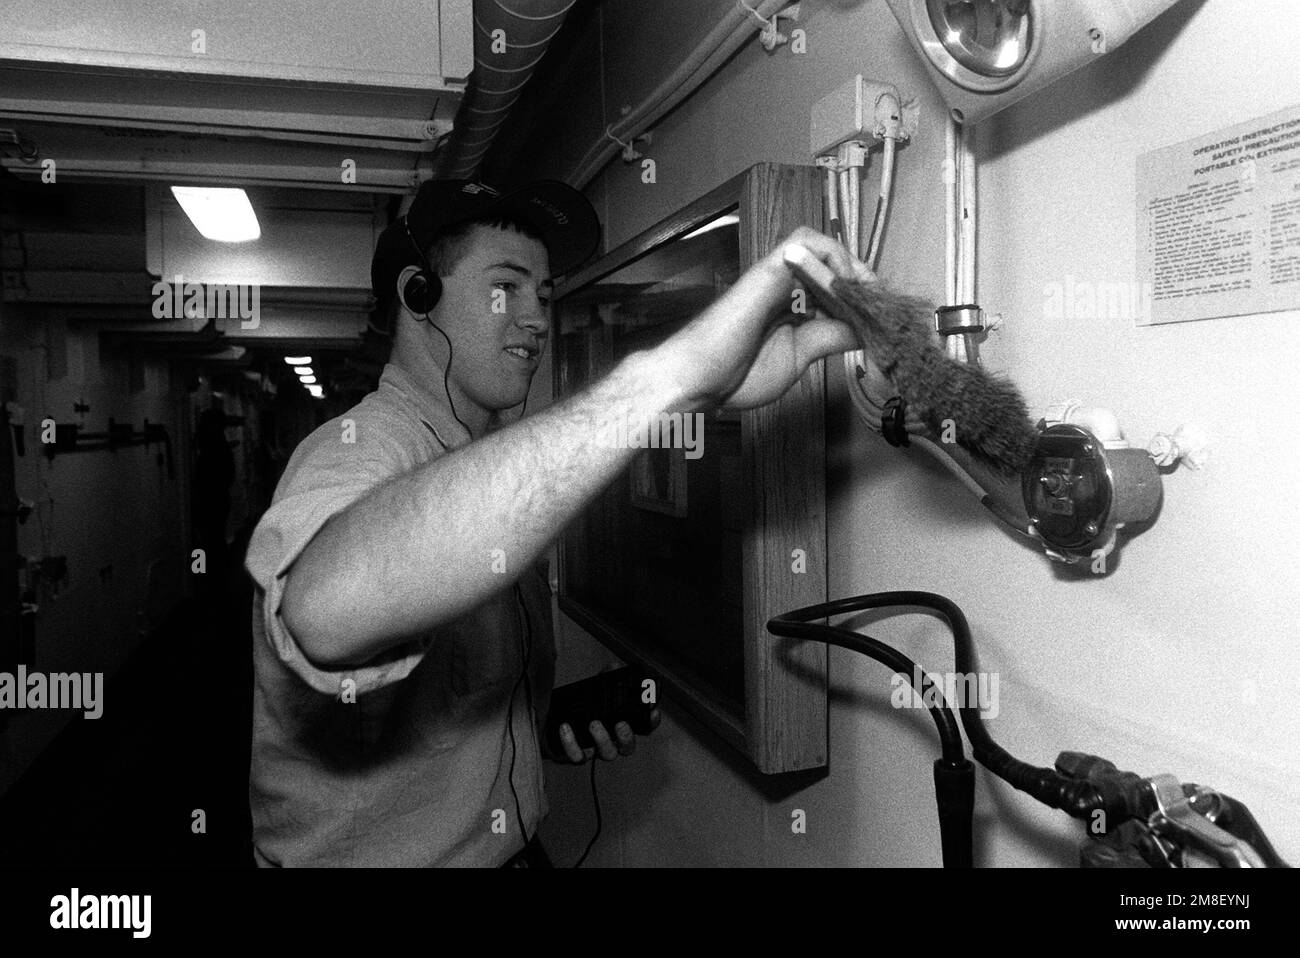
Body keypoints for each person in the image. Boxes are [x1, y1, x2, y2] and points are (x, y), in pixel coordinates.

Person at [244, 178, 864, 867]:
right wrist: (665, 380)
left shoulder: (479, 461)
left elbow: (418, 698)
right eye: (506, 287)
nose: (538, 319)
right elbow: (325, 610)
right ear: (417, 294)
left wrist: (535, 719)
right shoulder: (357, 448)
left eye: (543, 294)